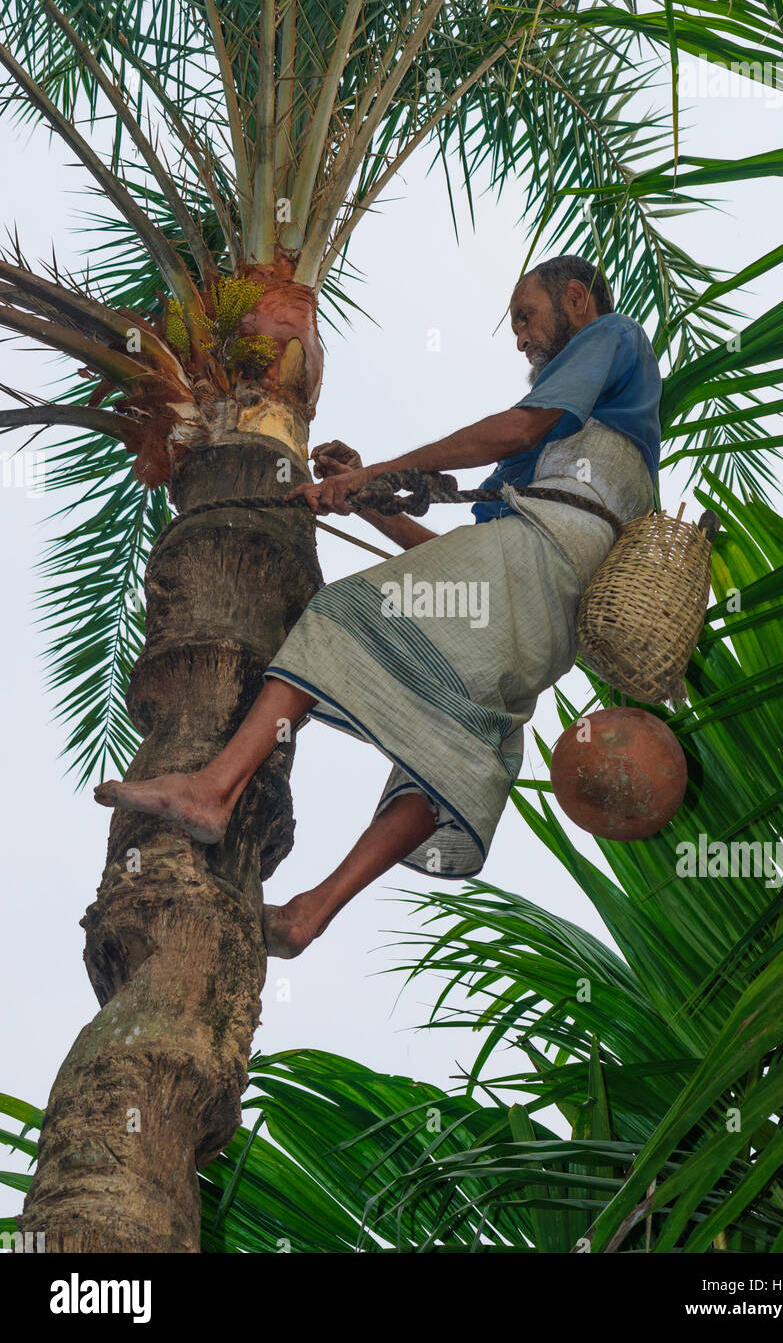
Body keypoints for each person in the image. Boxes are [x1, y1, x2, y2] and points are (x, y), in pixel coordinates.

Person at [94, 254, 662, 958]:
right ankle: (310, 913)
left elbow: (517, 428)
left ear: (576, 297)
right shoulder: (566, 470)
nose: (520, 338)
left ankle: (213, 788)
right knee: (454, 748)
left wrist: (380, 471)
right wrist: (366, 500)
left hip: (540, 559)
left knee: (337, 617)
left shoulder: (612, 336)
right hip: (547, 613)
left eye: (526, 316)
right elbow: (452, 568)